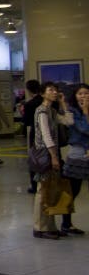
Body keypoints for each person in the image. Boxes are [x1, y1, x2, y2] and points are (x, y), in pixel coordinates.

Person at [31, 82, 74, 240]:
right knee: (42, 191)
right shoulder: (42, 111)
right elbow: (46, 135)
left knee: (50, 190)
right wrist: (54, 156)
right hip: (45, 154)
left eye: (56, 90)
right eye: (51, 90)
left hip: (50, 153)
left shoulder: (52, 110)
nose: (54, 93)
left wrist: (63, 103)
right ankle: (40, 227)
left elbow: (69, 121)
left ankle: (50, 226)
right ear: (43, 93)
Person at [60, 83, 89, 235]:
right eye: (80, 94)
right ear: (75, 96)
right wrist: (85, 111)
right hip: (78, 155)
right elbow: (85, 129)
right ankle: (66, 224)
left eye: (86, 93)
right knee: (72, 191)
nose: (84, 96)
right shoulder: (72, 111)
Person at [23, 80, 44, 193]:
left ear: (29, 90)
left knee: (34, 160)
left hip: (35, 134)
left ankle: (34, 185)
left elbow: (26, 121)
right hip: (50, 133)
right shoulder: (47, 102)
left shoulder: (29, 104)